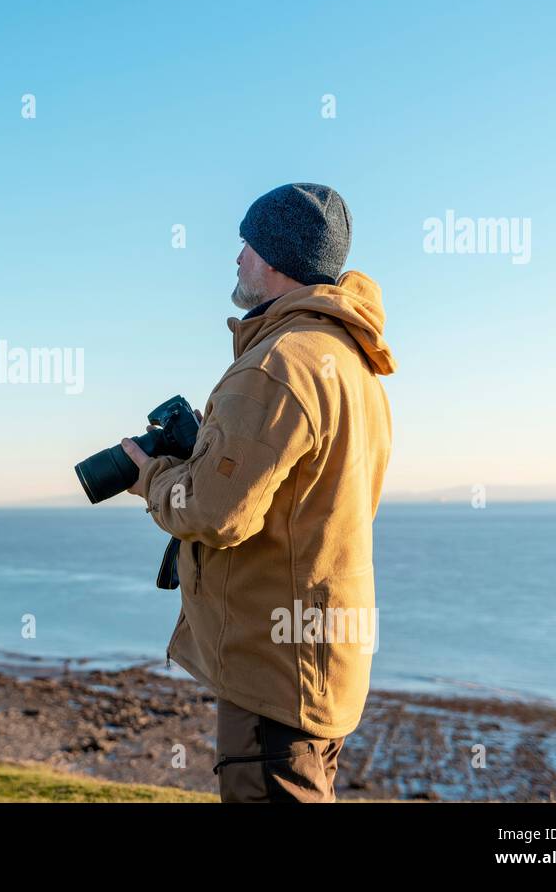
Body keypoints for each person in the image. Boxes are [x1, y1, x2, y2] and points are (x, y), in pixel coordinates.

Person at [121, 183, 396, 802]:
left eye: (244, 246)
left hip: (274, 669)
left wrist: (151, 477)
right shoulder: (352, 362)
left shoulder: (279, 364)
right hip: (320, 655)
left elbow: (217, 515)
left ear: (273, 259)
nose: (236, 260)